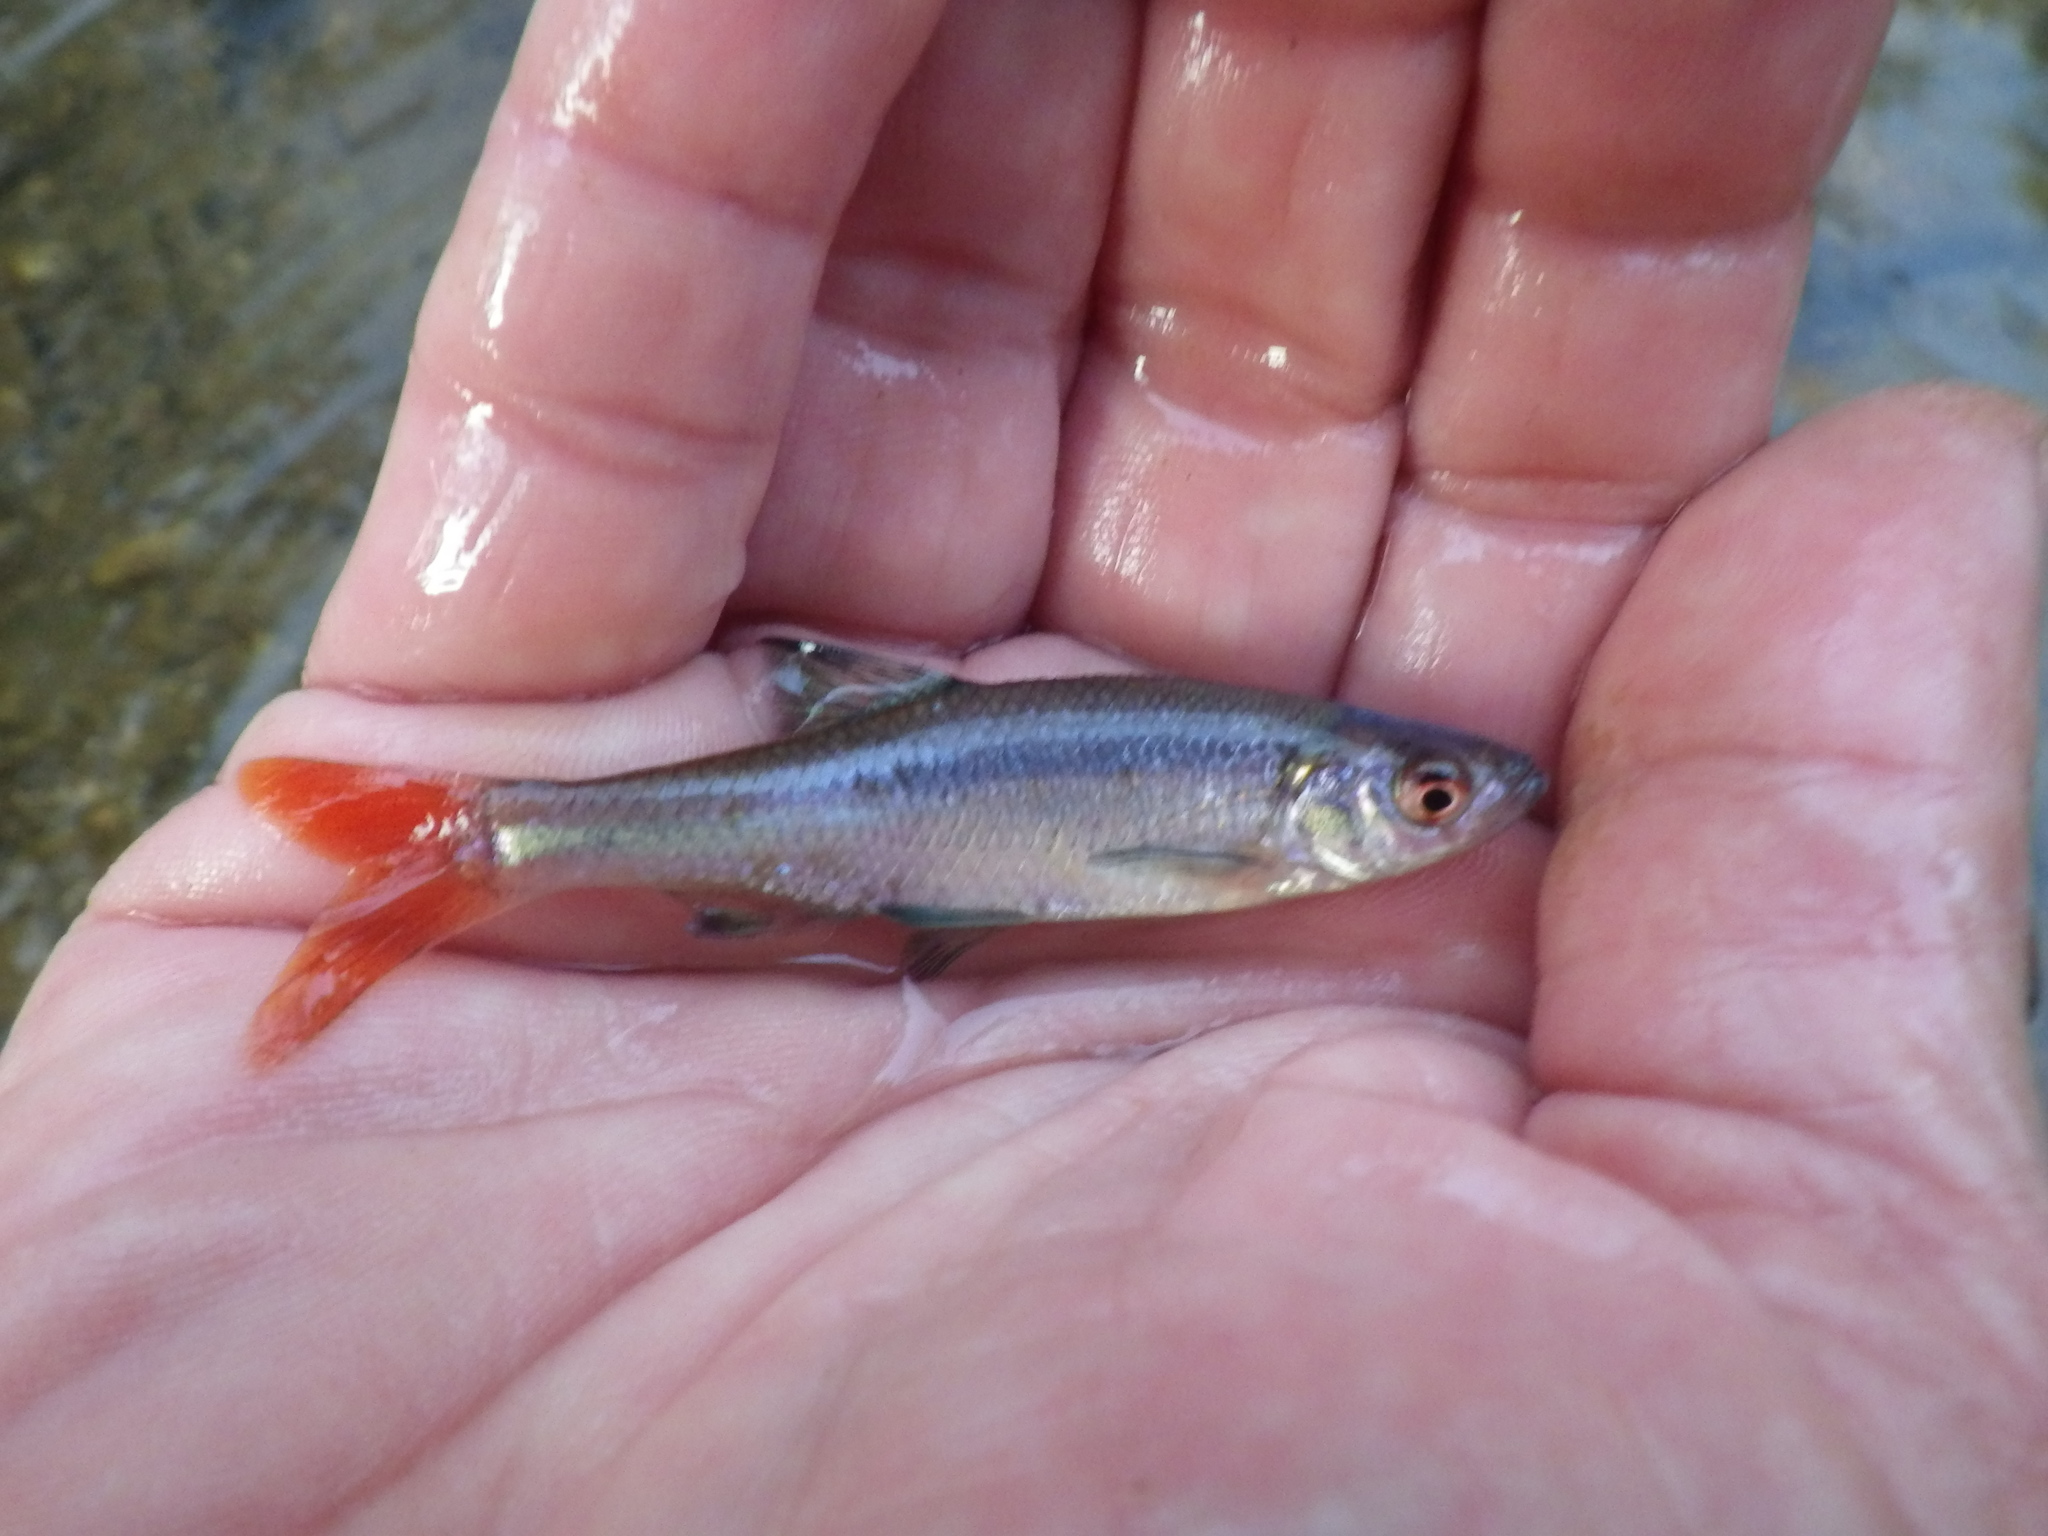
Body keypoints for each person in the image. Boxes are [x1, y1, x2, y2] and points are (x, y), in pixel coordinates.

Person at [4, 0, 2044, 1529]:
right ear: (1326, 803)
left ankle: (484, 849)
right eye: (1424, 803)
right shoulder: (1251, 816)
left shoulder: (1267, 802)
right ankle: (480, 848)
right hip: (819, 815)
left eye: (1435, 801)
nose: (1454, 815)